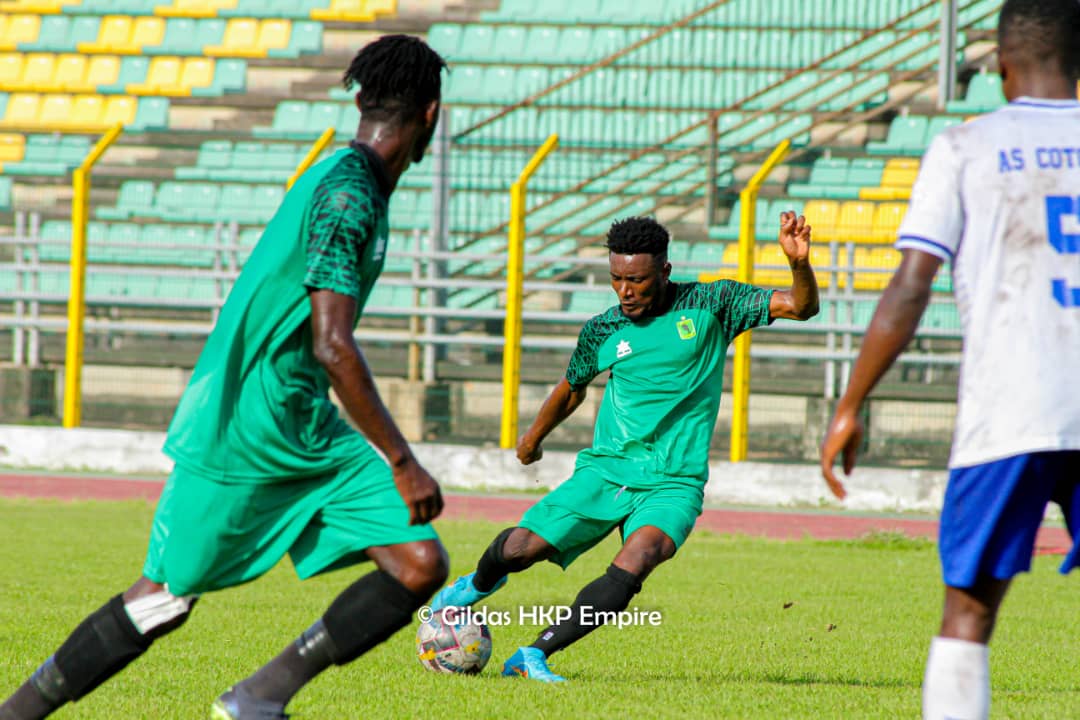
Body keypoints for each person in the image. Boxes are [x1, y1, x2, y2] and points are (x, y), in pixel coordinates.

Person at [0, 35, 450, 720]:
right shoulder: (347, 198)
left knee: (419, 563)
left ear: (360, 100)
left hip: (306, 423)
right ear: (433, 114)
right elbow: (334, 344)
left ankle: (258, 698)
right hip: (246, 422)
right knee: (162, 598)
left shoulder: (354, 187)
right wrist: (402, 459)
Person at [819, 2, 1080, 718]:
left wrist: (850, 403)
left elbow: (910, 285)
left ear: (999, 68)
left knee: (968, 615)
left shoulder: (967, 146)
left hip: (1014, 409)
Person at [430, 214, 819, 681]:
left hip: (674, 481)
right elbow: (573, 386)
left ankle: (533, 655)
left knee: (639, 560)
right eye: (616, 279)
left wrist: (798, 264)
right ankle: (475, 584)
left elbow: (800, 306)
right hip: (607, 472)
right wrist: (534, 438)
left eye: (636, 280)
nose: (624, 291)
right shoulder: (603, 329)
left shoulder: (714, 302)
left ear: (665, 272)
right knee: (518, 550)